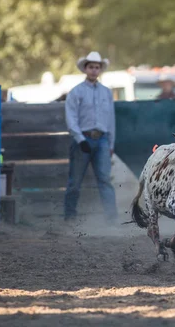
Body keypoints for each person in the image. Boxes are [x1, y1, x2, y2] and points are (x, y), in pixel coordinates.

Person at [64, 51, 118, 222]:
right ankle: (70, 216)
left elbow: (110, 120)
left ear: (99, 70)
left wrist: (110, 144)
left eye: (97, 67)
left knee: (105, 180)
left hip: (102, 139)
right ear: (85, 69)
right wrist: (79, 138)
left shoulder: (106, 93)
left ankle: (111, 218)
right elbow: (71, 117)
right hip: (84, 138)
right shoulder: (76, 92)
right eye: (91, 67)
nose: (94, 70)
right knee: (75, 182)